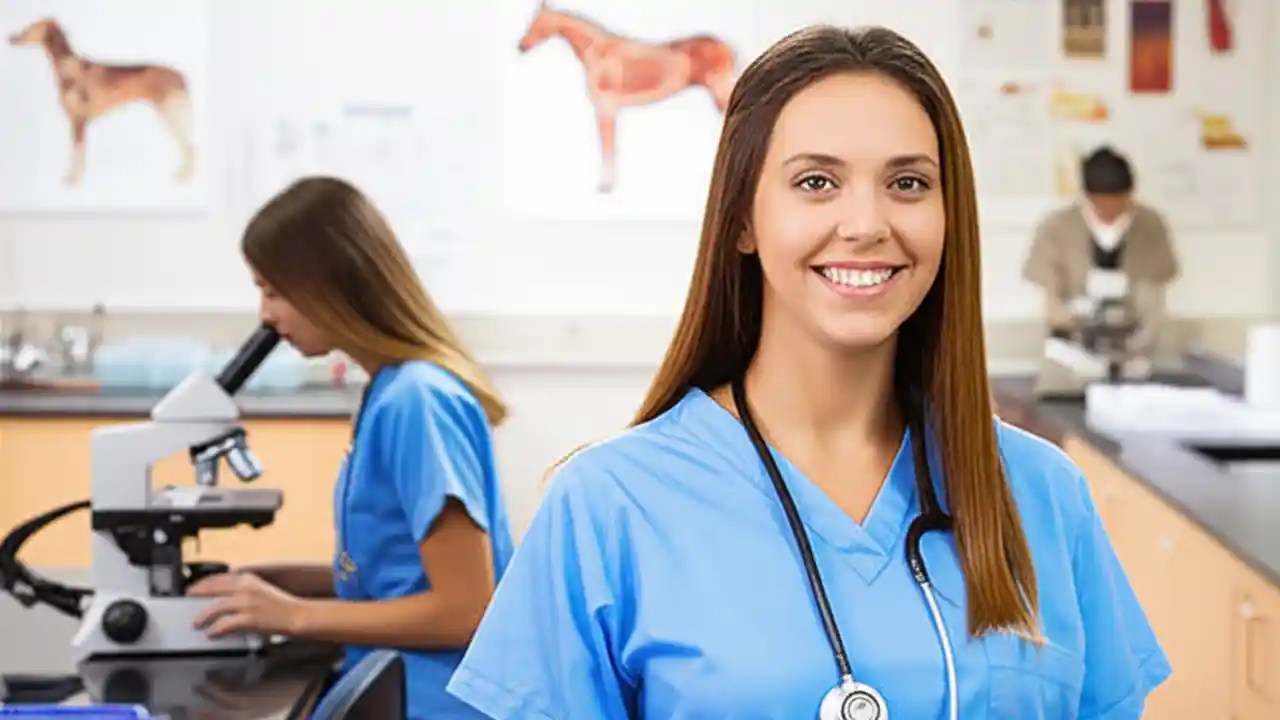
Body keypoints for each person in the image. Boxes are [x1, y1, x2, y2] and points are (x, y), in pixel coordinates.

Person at [444, 25, 1170, 719]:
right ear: (743, 220)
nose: (866, 223)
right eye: (817, 181)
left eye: (909, 183)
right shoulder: (610, 507)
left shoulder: (1042, 494)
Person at [186, 176, 515, 720]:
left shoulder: (418, 400)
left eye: (273, 290)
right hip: (393, 681)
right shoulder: (389, 390)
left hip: (437, 701)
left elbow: (466, 609)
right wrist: (278, 581)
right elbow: (399, 573)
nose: (265, 315)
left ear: (328, 285)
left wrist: (293, 615)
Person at [1023, 146, 1179, 357]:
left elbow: (1155, 290)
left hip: (1135, 343)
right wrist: (1069, 318)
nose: (1110, 212)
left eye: (1119, 204)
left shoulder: (1150, 225)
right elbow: (1050, 294)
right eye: (1101, 204)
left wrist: (1144, 338)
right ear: (1087, 196)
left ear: (1130, 194)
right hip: (1071, 344)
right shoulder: (1057, 227)